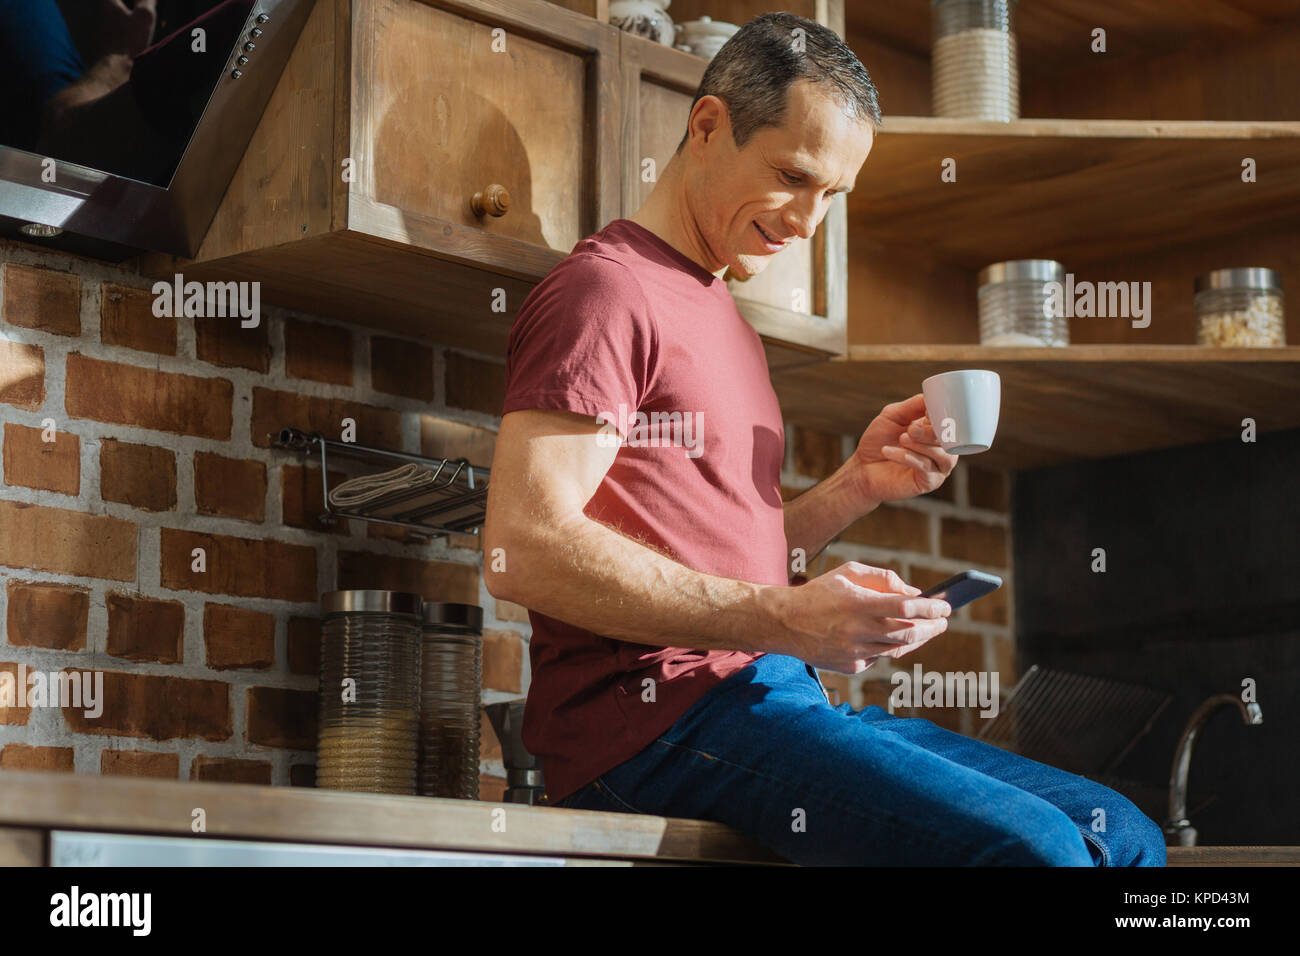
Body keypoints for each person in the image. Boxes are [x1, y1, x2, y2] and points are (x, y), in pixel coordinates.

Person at [482, 11, 1166, 866]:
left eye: (832, 194)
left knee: (1125, 837)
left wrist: (855, 487)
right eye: (793, 176)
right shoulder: (606, 292)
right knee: (1039, 854)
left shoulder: (723, 313)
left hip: (775, 699)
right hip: (657, 726)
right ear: (707, 126)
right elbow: (524, 545)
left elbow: (720, 553)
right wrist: (784, 618)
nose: (808, 220)